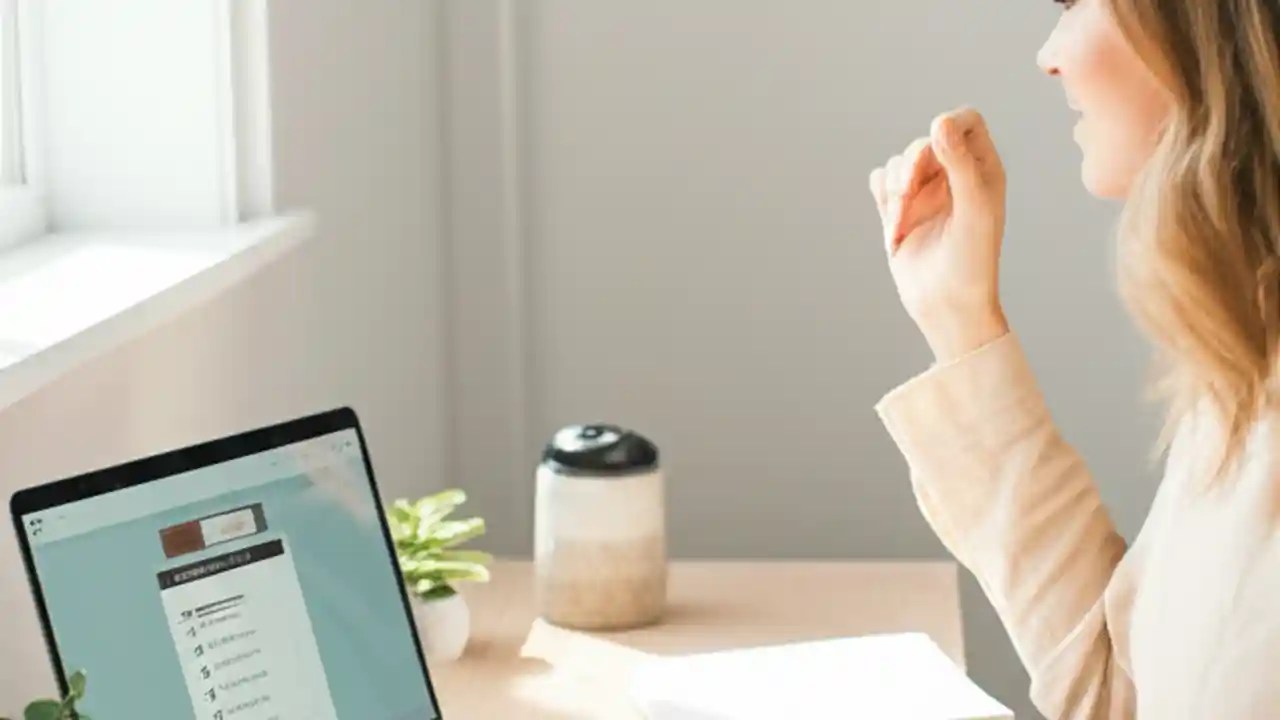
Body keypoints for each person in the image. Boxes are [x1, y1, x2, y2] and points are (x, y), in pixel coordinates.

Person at [867, 0, 1280, 718]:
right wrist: (960, 316)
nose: (1048, 56)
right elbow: (1124, 697)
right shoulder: (1247, 359)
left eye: (1074, 3)